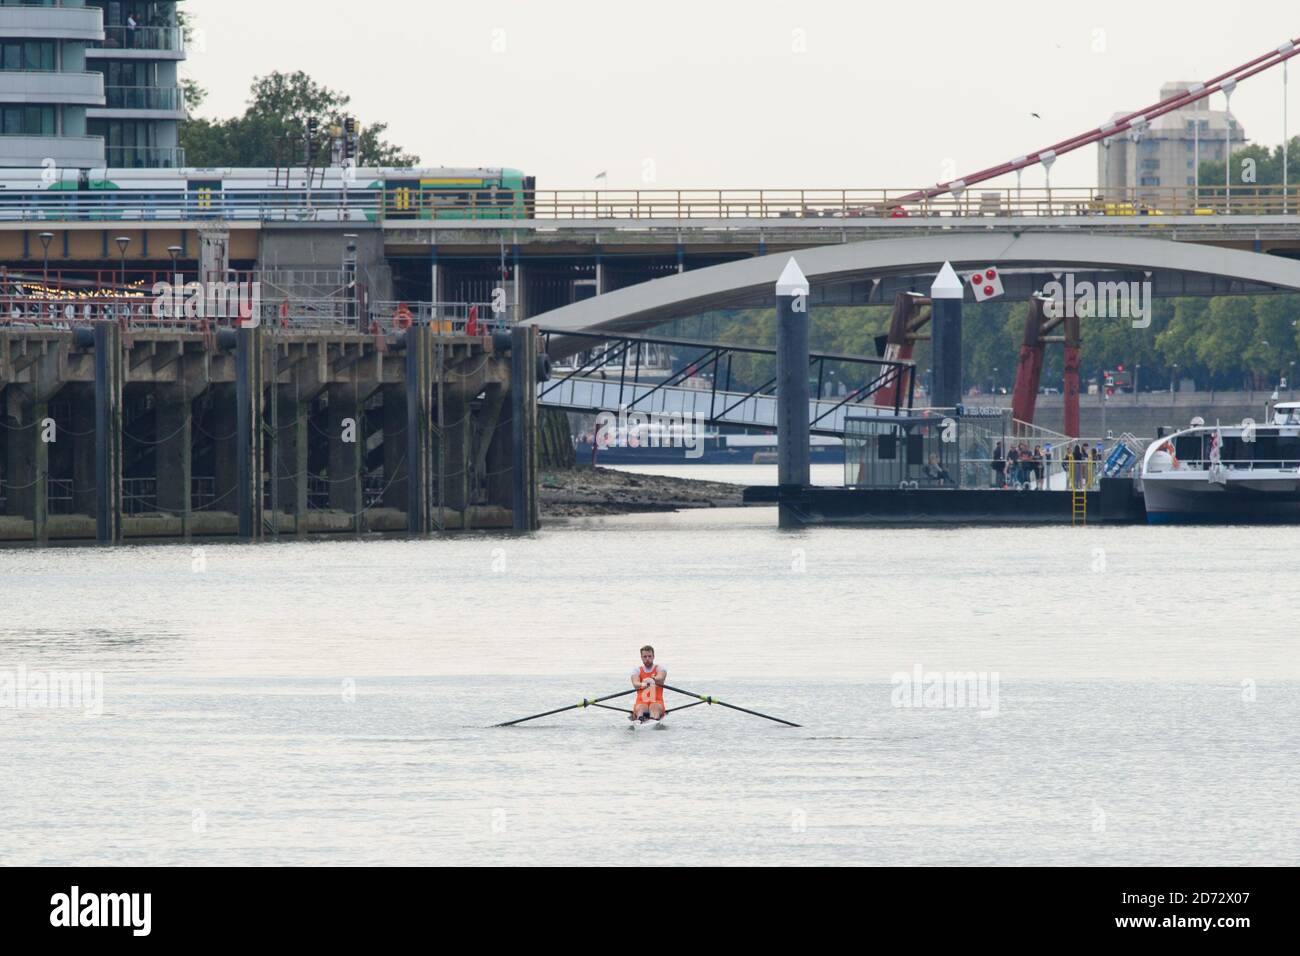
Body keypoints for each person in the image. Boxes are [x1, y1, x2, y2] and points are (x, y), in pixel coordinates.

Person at [630, 645, 666, 722]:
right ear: (641, 657)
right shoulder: (636, 670)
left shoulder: (660, 668)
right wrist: (643, 684)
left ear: (653, 657)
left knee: (654, 707)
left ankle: (653, 720)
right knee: (641, 708)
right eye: (645, 656)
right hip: (641, 702)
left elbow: (661, 678)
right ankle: (640, 720)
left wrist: (654, 679)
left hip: (657, 702)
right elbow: (635, 684)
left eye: (649, 656)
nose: (647, 659)